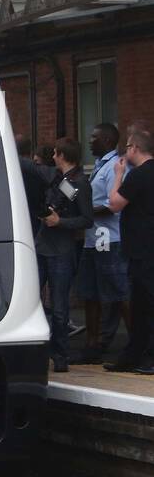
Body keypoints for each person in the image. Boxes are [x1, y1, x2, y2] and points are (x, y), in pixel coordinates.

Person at [37, 137, 92, 372]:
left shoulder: (79, 182)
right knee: (34, 301)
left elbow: (86, 219)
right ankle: (40, 351)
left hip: (61, 250)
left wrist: (60, 222)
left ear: (62, 155)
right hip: (42, 246)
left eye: (56, 153)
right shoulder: (57, 179)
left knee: (59, 306)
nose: (52, 157)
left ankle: (60, 355)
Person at [76, 123, 129, 363]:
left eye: (94, 137)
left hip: (109, 239)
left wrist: (84, 212)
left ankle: (140, 344)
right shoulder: (100, 165)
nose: (89, 141)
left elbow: (112, 206)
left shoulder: (114, 167)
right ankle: (93, 344)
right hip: (93, 239)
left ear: (107, 140)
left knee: (119, 292)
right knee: (90, 292)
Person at [107, 128, 154, 373]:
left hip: (141, 249)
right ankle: (136, 354)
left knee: (143, 304)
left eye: (127, 147)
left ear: (135, 148)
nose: (125, 151)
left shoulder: (137, 175)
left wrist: (118, 174)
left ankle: (142, 355)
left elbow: (114, 204)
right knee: (142, 304)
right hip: (147, 247)